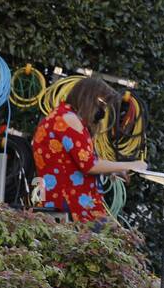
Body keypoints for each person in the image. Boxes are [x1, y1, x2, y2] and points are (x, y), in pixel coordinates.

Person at [31, 75, 146, 222]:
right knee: (108, 235)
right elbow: (89, 165)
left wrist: (112, 169)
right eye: (102, 105)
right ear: (90, 100)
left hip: (56, 198)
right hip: (72, 204)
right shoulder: (69, 120)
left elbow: (72, 162)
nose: (102, 112)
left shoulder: (59, 116)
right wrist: (131, 165)